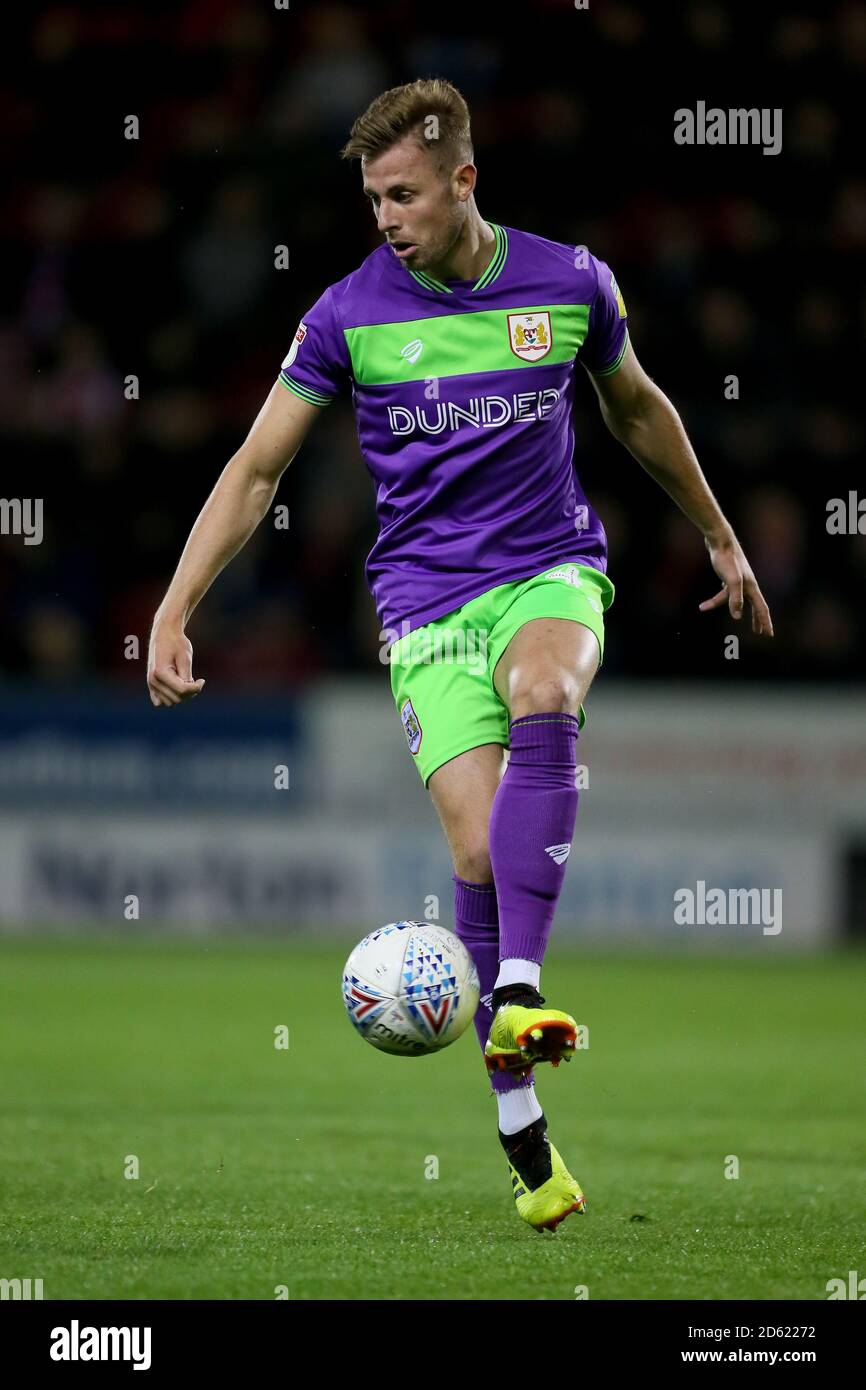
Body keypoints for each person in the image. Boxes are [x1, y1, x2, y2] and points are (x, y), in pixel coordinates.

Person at [148, 77, 773, 1234]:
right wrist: (179, 604)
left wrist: (719, 533)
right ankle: (520, 1133)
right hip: (424, 603)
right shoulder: (344, 315)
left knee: (547, 689)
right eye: (373, 198)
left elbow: (636, 411)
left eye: (405, 195)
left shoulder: (570, 281)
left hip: (549, 570)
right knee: (478, 850)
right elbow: (255, 470)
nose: (385, 217)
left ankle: (521, 991)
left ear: (463, 181)